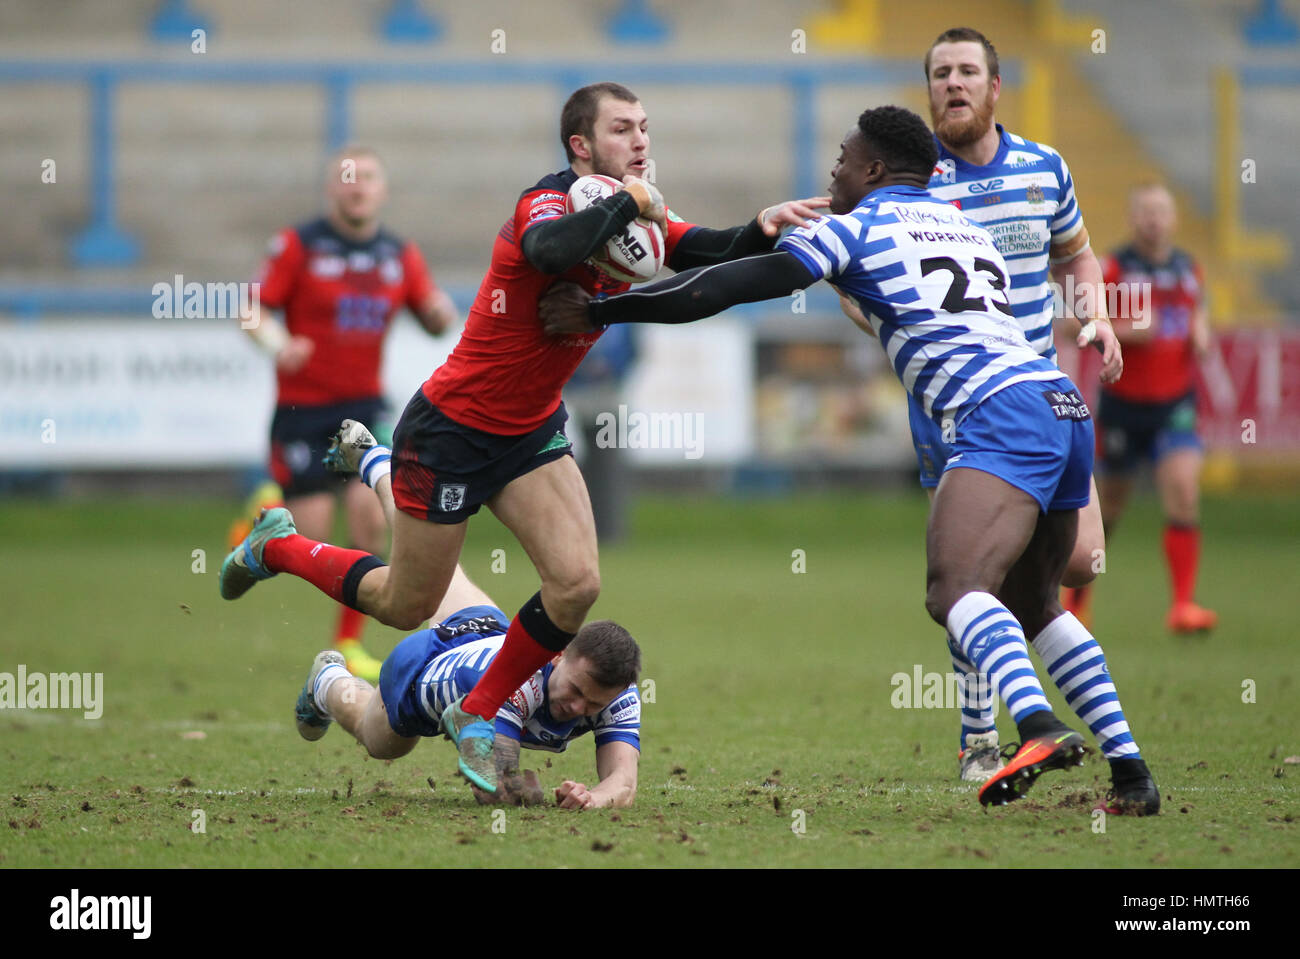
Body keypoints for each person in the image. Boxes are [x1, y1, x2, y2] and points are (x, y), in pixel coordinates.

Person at [541, 105, 1159, 814]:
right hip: (1059, 405)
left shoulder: (859, 226)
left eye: (842, 156)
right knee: (1035, 602)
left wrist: (599, 312)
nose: (832, 169)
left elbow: (725, 288)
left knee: (953, 590)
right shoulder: (965, 229)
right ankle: (1134, 774)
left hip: (1000, 413)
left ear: (872, 169)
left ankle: (1039, 724)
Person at [220, 81, 827, 793]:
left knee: (577, 583)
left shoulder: (636, 215)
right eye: (624, 129)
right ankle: (278, 545)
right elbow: (546, 250)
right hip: (451, 428)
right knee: (405, 604)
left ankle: (478, 712)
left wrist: (763, 227)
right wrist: (630, 201)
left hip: (530, 431)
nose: (641, 142)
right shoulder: (549, 199)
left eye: (646, 129)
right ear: (581, 145)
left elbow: (702, 254)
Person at [916, 28, 1148, 790]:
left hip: (1038, 395)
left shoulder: (1044, 167)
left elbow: (1075, 252)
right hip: (957, 404)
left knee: (1072, 561)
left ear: (995, 86)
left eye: (967, 72)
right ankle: (981, 733)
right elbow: (874, 283)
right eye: (940, 74)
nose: (953, 84)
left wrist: (1097, 314)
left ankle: (1027, 729)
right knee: (976, 571)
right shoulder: (917, 183)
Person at [237, 145, 459, 682]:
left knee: (371, 520)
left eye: (368, 179)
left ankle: (348, 644)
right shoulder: (299, 245)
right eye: (347, 178)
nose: (357, 186)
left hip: (360, 411)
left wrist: (438, 313)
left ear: (382, 190)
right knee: (310, 537)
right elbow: (252, 307)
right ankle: (260, 517)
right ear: (331, 189)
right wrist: (277, 344)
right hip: (301, 411)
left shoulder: (397, 254)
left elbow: (433, 313)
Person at [295, 564, 642, 810]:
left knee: (435, 557)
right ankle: (327, 680)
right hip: (419, 671)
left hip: (486, 629)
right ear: (558, 656)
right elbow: (492, 788)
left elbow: (623, 781)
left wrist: (591, 799)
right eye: (576, 691)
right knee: (382, 744)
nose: (579, 708)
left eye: (594, 704)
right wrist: (528, 792)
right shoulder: (517, 687)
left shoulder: (617, 694)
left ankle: (380, 464)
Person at [1069, 182, 1216, 633]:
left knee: (1184, 494)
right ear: (1134, 219)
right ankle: (1076, 601)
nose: (1154, 220)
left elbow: (1200, 313)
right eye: (1146, 212)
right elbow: (1076, 320)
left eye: (1161, 212)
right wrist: (1128, 330)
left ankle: (1183, 605)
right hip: (1122, 406)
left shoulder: (1189, 270)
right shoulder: (1113, 268)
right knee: (1109, 510)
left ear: (1173, 219)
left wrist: (1202, 334)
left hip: (1175, 402)